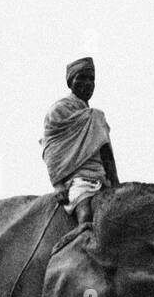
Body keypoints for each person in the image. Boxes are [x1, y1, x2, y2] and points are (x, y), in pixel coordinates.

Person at [40, 57, 119, 228]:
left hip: (100, 178)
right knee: (85, 215)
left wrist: (116, 184)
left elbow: (106, 154)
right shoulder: (58, 110)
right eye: (81, 78)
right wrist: (58, 186)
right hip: (77, 180)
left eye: (91, 79)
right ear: (70, 82)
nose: (88, 83)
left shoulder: (96, 116)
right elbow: (52, 150)